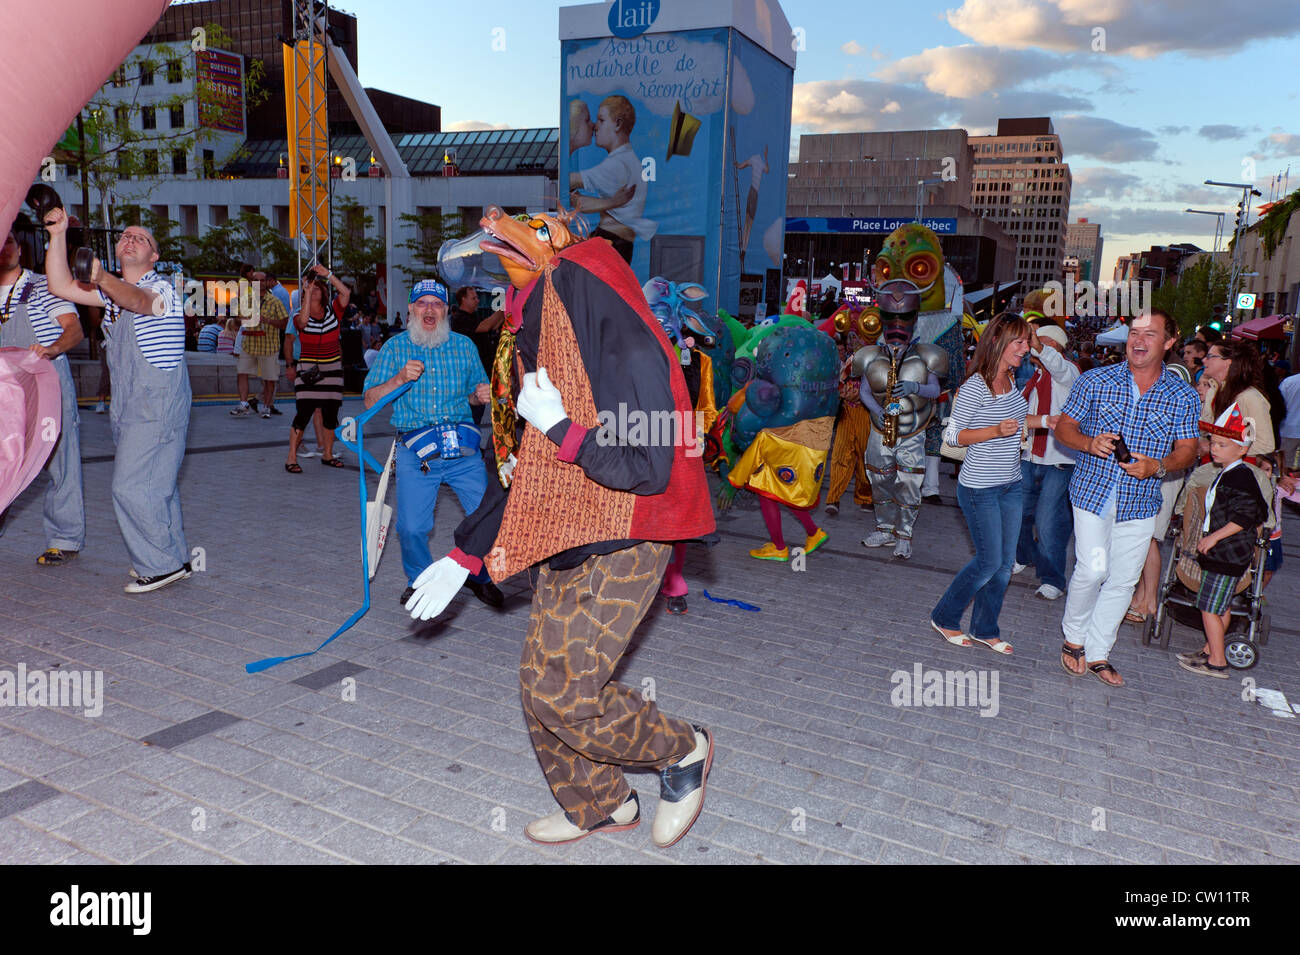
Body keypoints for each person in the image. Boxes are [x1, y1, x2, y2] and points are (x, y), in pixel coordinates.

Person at [405, 205, 715, 848]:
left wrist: (562, 428)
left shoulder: (614, 328)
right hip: (571, 527)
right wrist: (466, 555)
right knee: (538, 685)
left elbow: (650, 462)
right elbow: (532, 472)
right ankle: (599, 802)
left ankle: (682, 749)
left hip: (631, 529)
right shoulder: (541, 336)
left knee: (568, 694)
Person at [42, 210, 193, 594]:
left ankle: (158, 567)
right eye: (125, 235)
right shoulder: (109, 297)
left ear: (154, 257)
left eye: (141, 239)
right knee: (157, 485)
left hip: (156, 405)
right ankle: (172, 557)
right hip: (130, 405)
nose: (130, 239)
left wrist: (101, 277)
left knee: (130, 486)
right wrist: (58, 235)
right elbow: (59, 285)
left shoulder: (165, 290)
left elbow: (140, 301)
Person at [1053, 310, 1201, 686]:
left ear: (1168, 343)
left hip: (1140, 500)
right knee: (1094, 569)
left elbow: (1188, 450)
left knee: (1122, 579)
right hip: (1092, 493)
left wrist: (1159, 466)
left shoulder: (1182, 394)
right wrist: (1089, 442)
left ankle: (1099, 651)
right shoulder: (1095, 379)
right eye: (1135, 333)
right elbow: (1065, 428)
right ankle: (1074, 638)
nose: (1138, 340)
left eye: (1150, 334)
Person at [363, 279, 502, 608]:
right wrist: (398, 379)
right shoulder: (395, 348)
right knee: (412, 527)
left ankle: (477, 575)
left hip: (464, 449)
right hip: (416, 451)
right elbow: (369, 400)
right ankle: (420, 580)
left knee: (488, 519)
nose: (429, 309)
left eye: (436, 304)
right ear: (411, 309)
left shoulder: (464, 346)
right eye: (422, 303)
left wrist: (481, 395)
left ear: (446, 311)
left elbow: (473, 393)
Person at [931, 315, 1042, 654]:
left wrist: (1050, 421)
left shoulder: (1010, 378)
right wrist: (995, 431)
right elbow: (952, 435)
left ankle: (984, 628)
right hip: (980, 488)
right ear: (997, 341)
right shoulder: (975, 386)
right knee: (989, 561)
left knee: (1005, 564)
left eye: (1027, 342)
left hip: (1011, 483)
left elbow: (1018, 420)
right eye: (1019, 342)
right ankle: (945, 617)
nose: (1027, 348)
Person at [0, 230, 85, 565]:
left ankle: (65, 537)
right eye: (1, 240)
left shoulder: (45, 286)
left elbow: (74, 329)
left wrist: (52, 349)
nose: (6, 247)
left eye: (12, 241)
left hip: (47, 380)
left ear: (21, 248)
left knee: (61, 458)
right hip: (5, 386)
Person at [856, 280, 949, 559]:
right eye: (891, 317)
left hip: (912, 432)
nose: (898, 324)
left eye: (905, 317)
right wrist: (877, 410)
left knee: (909, 484)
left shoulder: (928, 355)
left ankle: (904, 535)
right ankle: (884, 528)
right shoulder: (870, 355)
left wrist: (914, 388)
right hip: (880, 429)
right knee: (879, 481)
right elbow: (863, 391)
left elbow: (935, 390)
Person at [1176, 425, 1269, 678]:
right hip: (1227, 553)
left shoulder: (1240, 477)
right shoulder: (1231, 473)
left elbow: (1247, 515)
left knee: (1209, 608)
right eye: (1213, 443)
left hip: (1226, 553)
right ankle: (1210, 650)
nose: (1214, 449)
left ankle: (1217, 661)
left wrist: (1214, 538)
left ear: (1242, 449)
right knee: (1221, 605)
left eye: (1222, 445)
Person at [1012, 322, 1078, 600]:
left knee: (1049, 520)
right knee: (1019, 512)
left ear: (1058, 348)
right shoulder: (1034, 377)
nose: (1035, 347)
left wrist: (1039, 344)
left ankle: (1053, 578)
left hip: (1059, 459)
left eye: (1044, 343)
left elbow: (1059, 367)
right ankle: (1023, 555)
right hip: (1030, 455)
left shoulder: (1070, 372)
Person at [568, 94, 655, 263]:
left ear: (617, 124)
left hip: (612, 241)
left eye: (601, 120)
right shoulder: (627, 160)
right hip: (616, 242)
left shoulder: (617, 165)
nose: (595, 127)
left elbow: (568, 183)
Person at [285, 265, 347, 472]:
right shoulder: (297, 314)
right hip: (308, 370)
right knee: (303, 414)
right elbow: (302, 323)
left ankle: (327, 454)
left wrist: (328, 275)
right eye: (313, 288)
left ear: (325, 292)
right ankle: (291, 457)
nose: (316, 289)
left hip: (332, 370)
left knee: (331, 415)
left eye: (319, 287)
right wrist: (308, 291)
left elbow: (345, 292)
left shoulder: (333, 311)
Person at [824, 329, 873, 516]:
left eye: (859, 338)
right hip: (846, 411)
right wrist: (841, 392)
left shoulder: (875, 359)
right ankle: (833, 499)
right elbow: (839, 382)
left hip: (865, 413)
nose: (855, 341)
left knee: (864, 456)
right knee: (839, 454)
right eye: (853, 338)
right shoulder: (847, 362)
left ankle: (866, 497)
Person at [230, 270, 287, 419]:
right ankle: (244, 404)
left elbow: (284, 323)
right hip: (249, 344)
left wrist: (267, 320)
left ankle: (266, 407)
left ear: (267, 282)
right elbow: (236, 322)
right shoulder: (245, 300)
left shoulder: (275, 302)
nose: (259, 283)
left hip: (268, 346)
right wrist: (241, 319)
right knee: (242, 373)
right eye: (256, 280)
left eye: (262, 280)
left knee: (269, 378)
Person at [1280, 370, 1300, 471]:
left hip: (1288, 428)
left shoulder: (1288, 382)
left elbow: (1279, 404)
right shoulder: (1288, 382)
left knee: (1286, 464)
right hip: (1289, 429)